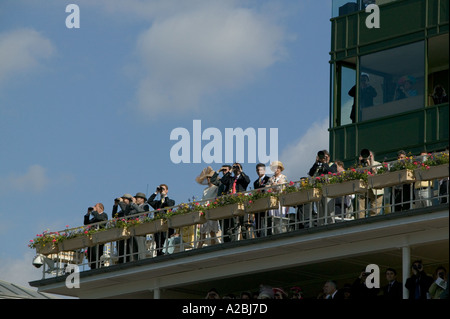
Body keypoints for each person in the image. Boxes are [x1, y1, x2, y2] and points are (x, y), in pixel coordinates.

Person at [308, 150, 337, 226]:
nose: (322, 158)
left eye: (324, 156)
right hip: (318, 190)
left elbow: (332, 172)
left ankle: (331, 225)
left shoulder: (332, 165)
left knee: (329, 210)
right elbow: (311, 173)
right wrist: (316, 163)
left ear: (328, 157)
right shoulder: (318, 166)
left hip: (328, 190)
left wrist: (325, 163)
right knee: (320, 210)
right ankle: (320, 225)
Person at [147, 184, 176, 256]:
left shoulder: (171, 201)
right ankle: (159, 255)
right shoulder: (157, 203)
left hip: (166, 225)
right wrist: (156, 192)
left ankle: (166, 255)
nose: (162, 191)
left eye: (163, 189)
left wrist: (165, 196)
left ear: (167, 191)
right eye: (161, 189)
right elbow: (149, 201)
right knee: (158, 242)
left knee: (165, 240)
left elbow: (169, 205)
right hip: (158, 225)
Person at [196, 166, 220, 249]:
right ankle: (198, 248)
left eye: (210, 177)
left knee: (212, 232)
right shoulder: (205, 189)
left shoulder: (216, 187)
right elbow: (202, 200)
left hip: (212, 210)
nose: (209, 179)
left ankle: (213, 247)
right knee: (202, 234)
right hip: (205, 210)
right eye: (207, 177)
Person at [358, 149, 384, 218]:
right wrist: (360, 163)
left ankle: (373, 221)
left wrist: (371, 163)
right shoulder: (363, 166)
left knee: (375, 210)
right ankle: (361, 221)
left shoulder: (377, 164)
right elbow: (358, 176)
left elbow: (376, 174)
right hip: (366, 189)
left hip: (376, 190)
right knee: (361, 206)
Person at [83, 203, 108, 269]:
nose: (94, 208)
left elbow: (99, 218)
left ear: (101, 208)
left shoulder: (104, 215)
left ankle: (98, 266)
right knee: (91, 253)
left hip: (99, 238)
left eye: (96, 207)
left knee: (97, 253)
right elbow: (86, 222)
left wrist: (93, 211)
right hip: (92, 239)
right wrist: (88, 213)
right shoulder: (94, 218)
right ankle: (92, 267)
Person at [266, 161, 288, 233]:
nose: (276, 169)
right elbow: (267, 188)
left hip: (280, 199)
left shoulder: (284, 177)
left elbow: (282, 187)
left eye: (278, 168)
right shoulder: (270, 179)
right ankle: (273, 231)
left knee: (280, 215)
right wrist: (274, 186)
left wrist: (274, 186)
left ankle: (282, 231)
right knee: (272, 215)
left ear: (280, 169)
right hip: (272, 199)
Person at [112, 194, 134, 263]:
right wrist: (115, 205)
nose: (123, 201)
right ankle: (121, 260)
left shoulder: (131, 207)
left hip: (128, 232)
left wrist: (121, 203)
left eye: (124, 199)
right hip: (120, 231)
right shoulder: (121, 211)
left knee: (127, 248)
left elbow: (126, 211)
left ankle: (127, 261)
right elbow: (114, 215)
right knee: (120, 248)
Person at [129, 192, 150, 260]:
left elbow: (142, 212)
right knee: (133, 247)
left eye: (137, 198)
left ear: (142, 199)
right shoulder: (134, 207)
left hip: (141, 228)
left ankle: (142, 259)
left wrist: (134, 204)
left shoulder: (145, 206)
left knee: (140, 245)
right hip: (133, 228)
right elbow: (127, 213)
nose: (136, 199)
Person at [253, 163, 271, 237]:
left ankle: (267, 232)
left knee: (265, 217)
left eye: (260, 170)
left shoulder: (268, 179)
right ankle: (258, 233)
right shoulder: (255, 182)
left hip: (265, 201)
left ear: (264, 170)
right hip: (258, 203)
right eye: (257, 170)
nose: (258, 171)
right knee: (258, 218)